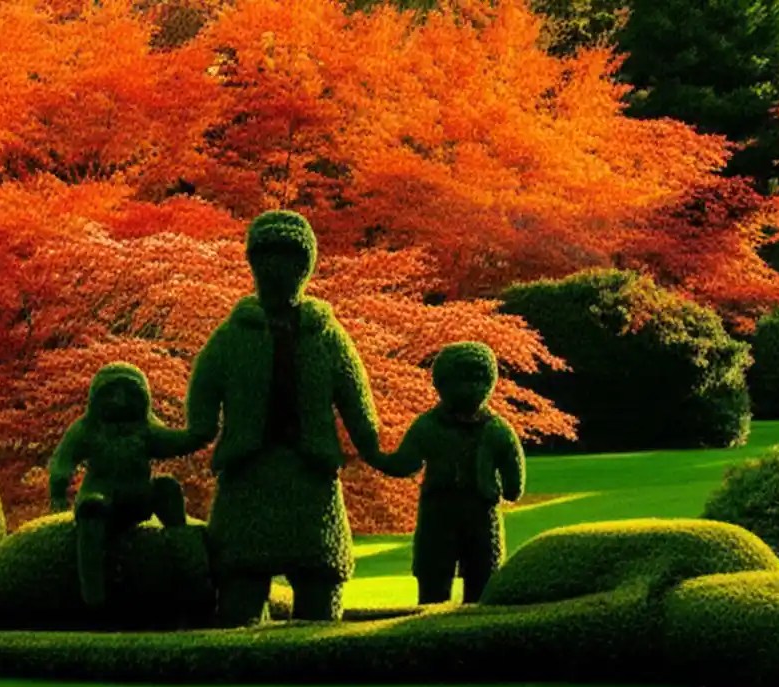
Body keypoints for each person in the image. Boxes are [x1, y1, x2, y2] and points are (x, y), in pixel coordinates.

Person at [183, 210, 382, 625]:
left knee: (320, 585)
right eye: (267, 256)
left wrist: (381, 451)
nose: (277, 267)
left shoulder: (326, 334)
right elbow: (201, 404)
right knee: (239, 590)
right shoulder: (233, 334)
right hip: (247, 471)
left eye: (289, 256)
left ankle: (317, 668)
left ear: (306, 263)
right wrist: (174, 436)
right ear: (253, 262)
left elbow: (357, 404)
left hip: (311, 472)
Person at [369, 342, 525, 604]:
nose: (471, 387)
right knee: (433, 581)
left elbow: (513, 482)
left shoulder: (496, 429)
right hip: (438, 514)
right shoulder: (429, 427)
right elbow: (404, 463)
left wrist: (510, 484)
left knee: (483, 580)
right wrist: (371, 453)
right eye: (462, 379)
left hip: (480, 514)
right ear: (443, 382)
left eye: (477, 378)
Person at [48, 362, 193, 607]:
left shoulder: (146, 429)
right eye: (112, 393)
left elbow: (175, 442)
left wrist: (199, 432)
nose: (120, 400)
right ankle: (94, 598)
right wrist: (58, 489)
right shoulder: (87, 429)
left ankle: (186, 558)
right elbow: (63, 459)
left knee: (167, 489)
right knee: (91, 511)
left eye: (128, 393)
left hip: (139, 496)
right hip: (102, 497)